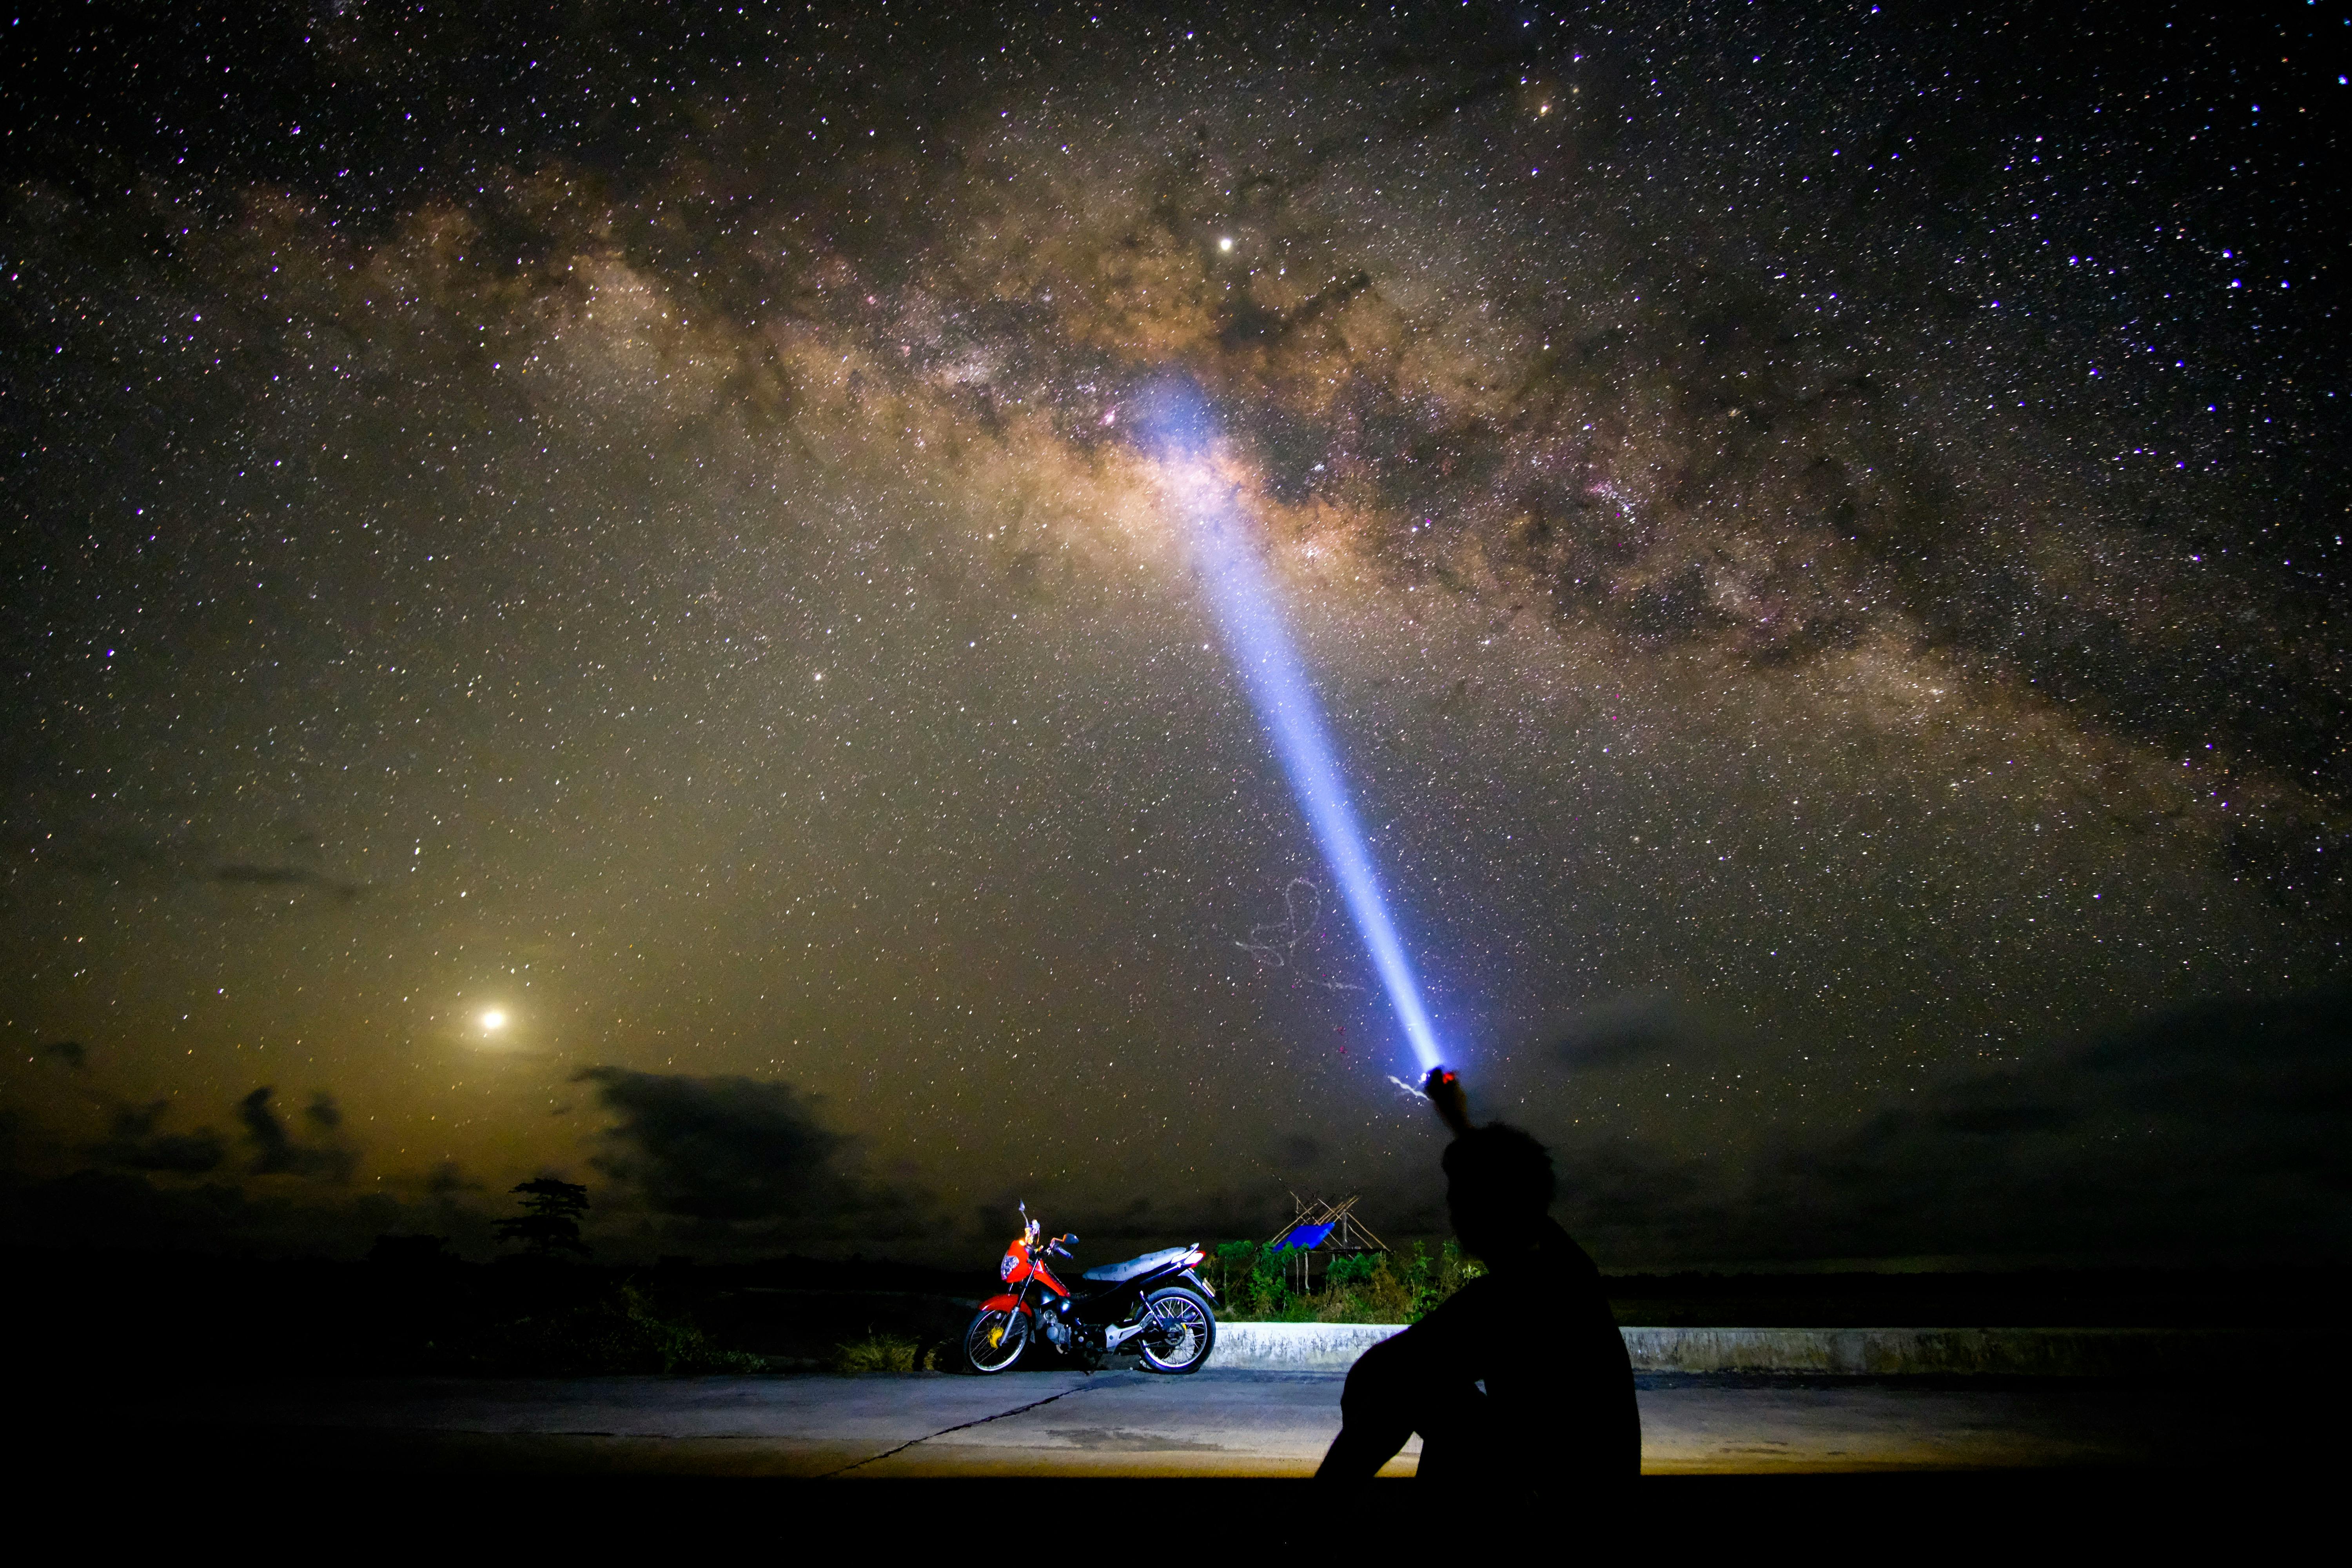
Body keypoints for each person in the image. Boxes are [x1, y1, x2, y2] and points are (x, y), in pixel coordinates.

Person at [1315, 1068, 1639, 1488]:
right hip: (1599, 1491)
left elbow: (1379, 1373)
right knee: (1430, 1388)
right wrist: (1460, 1124)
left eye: (1456, 1196)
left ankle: (1316, 1519)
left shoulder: (1505, 1300)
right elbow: (1509, 1188)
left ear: (1471, 1212)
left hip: (1550, 1499)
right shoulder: (1571, 1270)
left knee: (1411, 1385)